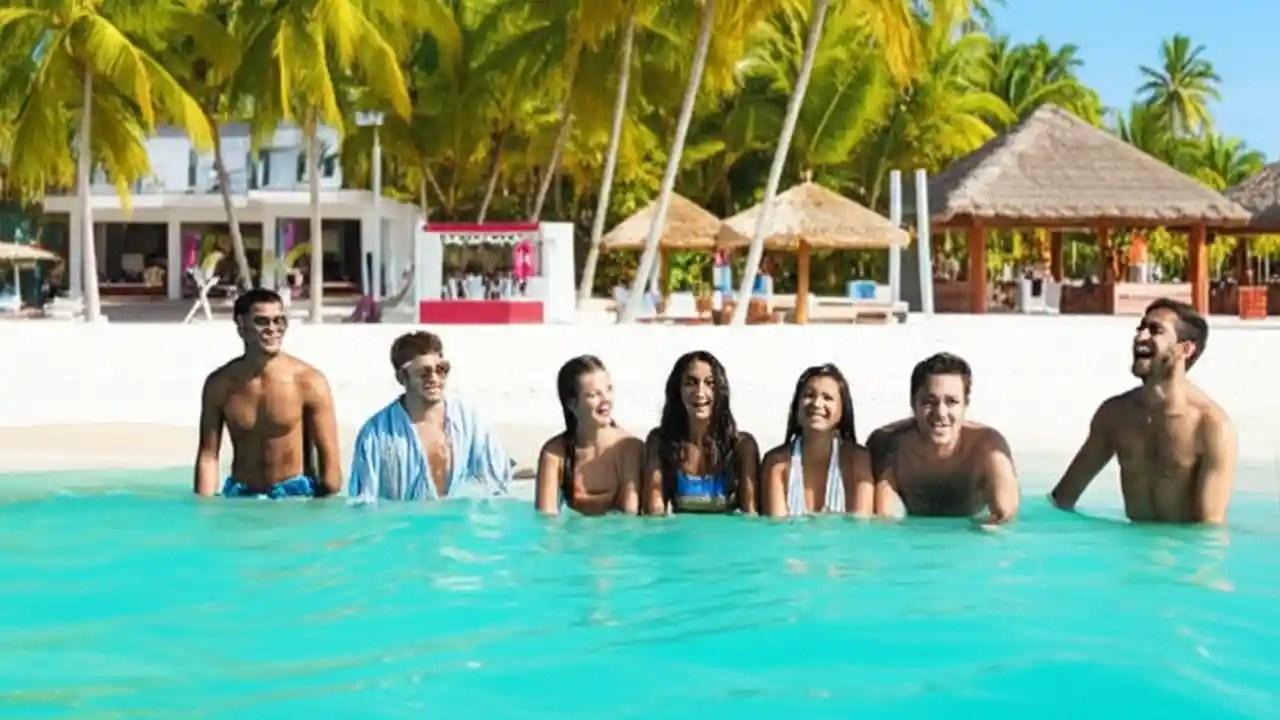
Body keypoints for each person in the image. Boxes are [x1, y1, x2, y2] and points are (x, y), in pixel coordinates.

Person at [1050, 298, 1237, 524]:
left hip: (1181, 554)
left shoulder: (1211, 427)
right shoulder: (1115, 416)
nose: (1141, 337)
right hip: (1130, 551)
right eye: (1140, 328)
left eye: (1155, 330)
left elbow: (1210, 530)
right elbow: (1061, 500)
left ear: (1185, 349)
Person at [193, 288, 342, 498]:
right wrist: (204, 508)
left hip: (294, 495)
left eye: (279, 321)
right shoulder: (220, 384)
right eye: (262, 321)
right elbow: (208, 455)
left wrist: (320, 512)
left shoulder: (308, 381)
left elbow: (330, 465)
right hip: (242, 495)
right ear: (241, 326)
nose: (273, 329)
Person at [348, 331, 513, 501]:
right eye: (424, 373)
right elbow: (363, 502)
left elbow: (497, 485)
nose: (434, 378)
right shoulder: (374, 435)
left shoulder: (473, 422)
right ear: (402, 377)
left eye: (441, 370)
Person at [864, 352, 1018, 524]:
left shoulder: (989, 448)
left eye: (951, 401)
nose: (941, 413)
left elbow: (1004, 519)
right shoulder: (888, 445)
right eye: (930, 402)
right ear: (913, 403)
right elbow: (882, 524)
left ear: (965, 404)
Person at [643, 351, 760, 515]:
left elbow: (751, 515)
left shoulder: (741, 446)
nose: (700, 392)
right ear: (677, 390)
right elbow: (654, 512)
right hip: (679, 539)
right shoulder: (660, 442)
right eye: (691, 382)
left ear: (721, 391)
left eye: (710, 383)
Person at [535, 356, 643, 515]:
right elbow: (546, 519)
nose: (606, 399)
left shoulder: (629, 449)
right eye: (594, 395)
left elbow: (630, 518)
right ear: (572, 404)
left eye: (609, 389)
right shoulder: (555, 454)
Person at [761, 364, 871, 516]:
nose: (817, 404)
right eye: (809, 395)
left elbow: (862, 527)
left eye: (828, 398)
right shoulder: (777, 464)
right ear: (796, 406)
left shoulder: (858, 461)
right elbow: (777, 528)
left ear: (842, 410)